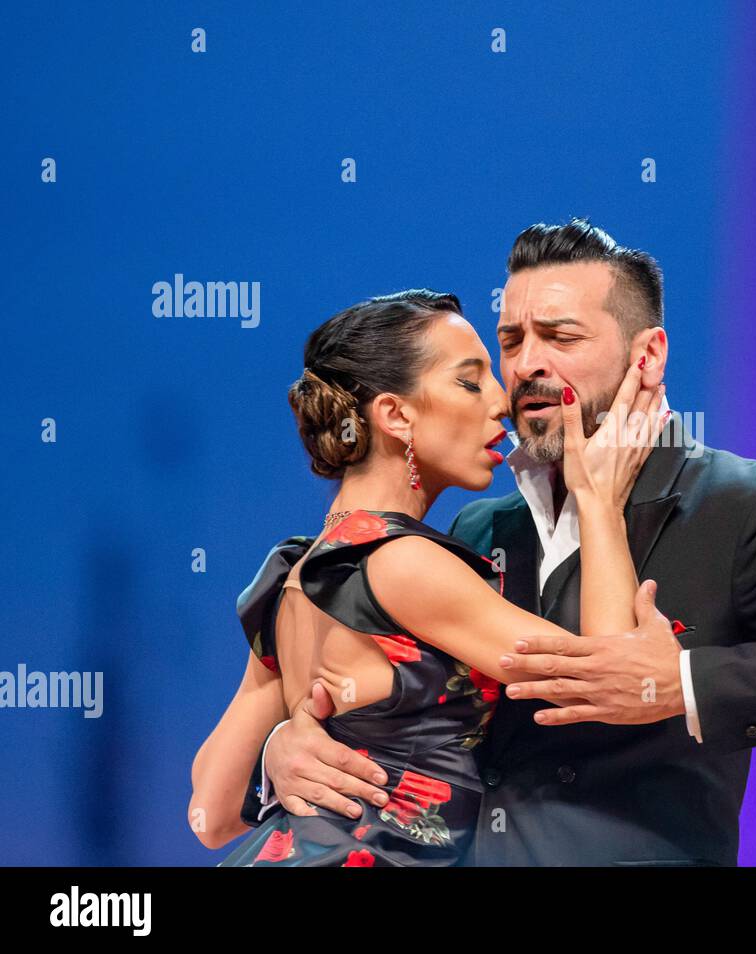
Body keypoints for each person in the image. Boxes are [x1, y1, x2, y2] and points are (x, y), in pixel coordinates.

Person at [229, 219, 756, 866]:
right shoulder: (480, 527)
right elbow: (421, 720)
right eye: (511, 341)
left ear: (647, 356)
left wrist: (686, 684)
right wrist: (289, 749)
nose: (524, 367)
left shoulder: (739, 505)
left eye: (561, 336)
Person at [189, 287, 666, 865]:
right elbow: (605, 681)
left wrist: (279, 750)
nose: (502, 400)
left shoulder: (294, 576)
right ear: (394, 414)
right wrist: (598, 499)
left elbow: (212, 811)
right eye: (470, 381)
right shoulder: (404, 563)